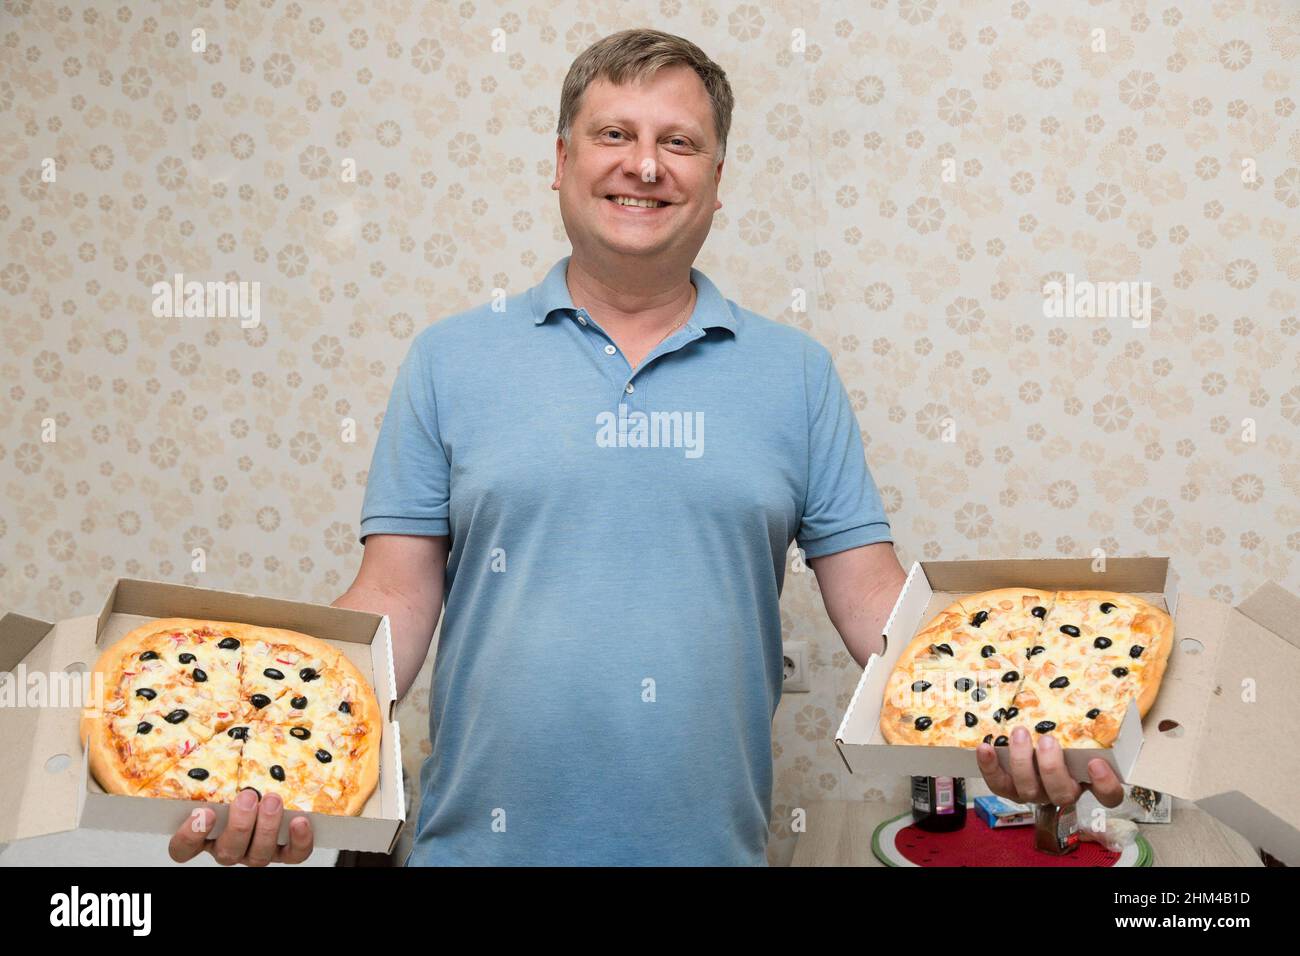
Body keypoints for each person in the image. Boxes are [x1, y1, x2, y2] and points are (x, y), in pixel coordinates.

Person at [168, 28, 1121, 867]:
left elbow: (875, 598)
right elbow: (394, 596)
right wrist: (271, 756)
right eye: (614, 134)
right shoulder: (450, 357)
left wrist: (1020, 712)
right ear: (559, 158)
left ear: (716, 179)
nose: (646, 165)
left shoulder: (795, 373)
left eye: (680, 142)